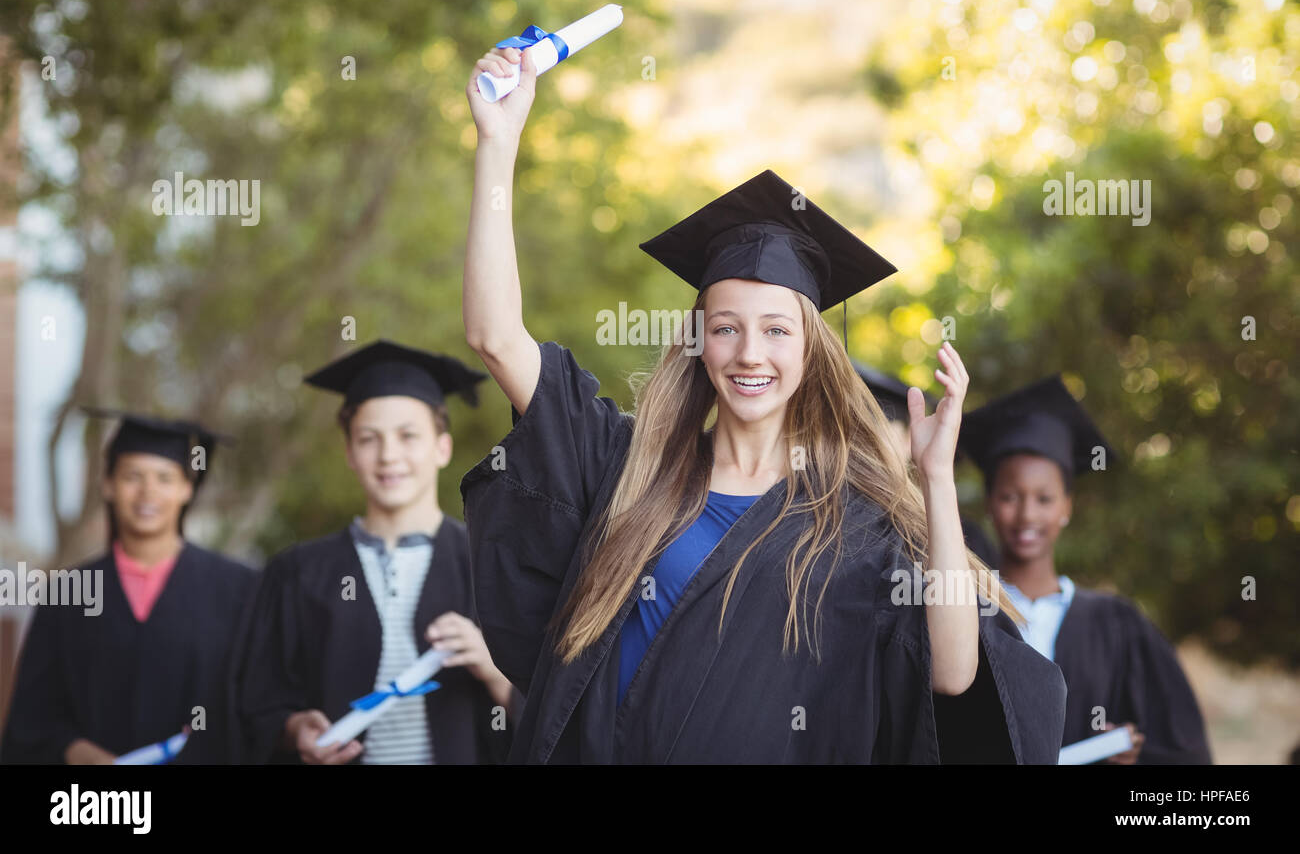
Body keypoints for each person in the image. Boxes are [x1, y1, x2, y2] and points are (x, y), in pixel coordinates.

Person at [457, 43, 1066, 763]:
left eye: (777, 330)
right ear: (699, 343)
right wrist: (498, 145)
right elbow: (495, 336)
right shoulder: (627, 468)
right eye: (726, 328)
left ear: (811, 351)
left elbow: (953, 672)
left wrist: (932, 479)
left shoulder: (857, 525)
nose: (750, 353)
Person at [235, 340, 517, 765]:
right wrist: (295, 731)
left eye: (408, 436)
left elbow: (557, 709)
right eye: (369, 439)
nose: (389, 456)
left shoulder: (490, 564)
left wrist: (490, 666)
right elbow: (257, 702)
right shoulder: (297, 572)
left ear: (442, 448)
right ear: (350, 452)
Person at [960, 376, 1213, 764]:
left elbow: (1180, 747)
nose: (1027, 514)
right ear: (991, 504)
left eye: (1045, 498)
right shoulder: (965, 610)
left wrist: (1130, 755)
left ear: (1067, 507)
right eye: (1010, 497)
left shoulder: (1118, 625)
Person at [1, 410, 256, 765]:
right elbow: (30, 720)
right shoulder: (67, 594)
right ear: (108, 485)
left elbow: (257, 706)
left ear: (187, 488)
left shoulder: (239, 590)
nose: (147, 492)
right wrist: (77, 752)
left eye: (165, 478)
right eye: (132, 476)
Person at [854, 362, 999, 567]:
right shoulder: (825, 524)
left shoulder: (961, 536)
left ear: (908, 440)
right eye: (854, 437)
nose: (863, 451)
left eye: (878, 437)